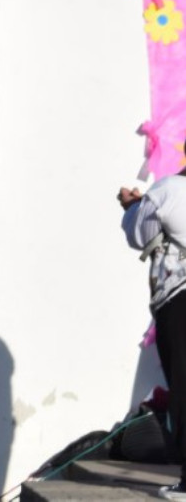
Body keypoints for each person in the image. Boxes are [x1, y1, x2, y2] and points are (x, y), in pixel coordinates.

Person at [119, 171, 186, 501]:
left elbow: (138, 233)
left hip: (179, 299)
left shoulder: (170, 189)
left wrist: (131, 206)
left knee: (183, 385)